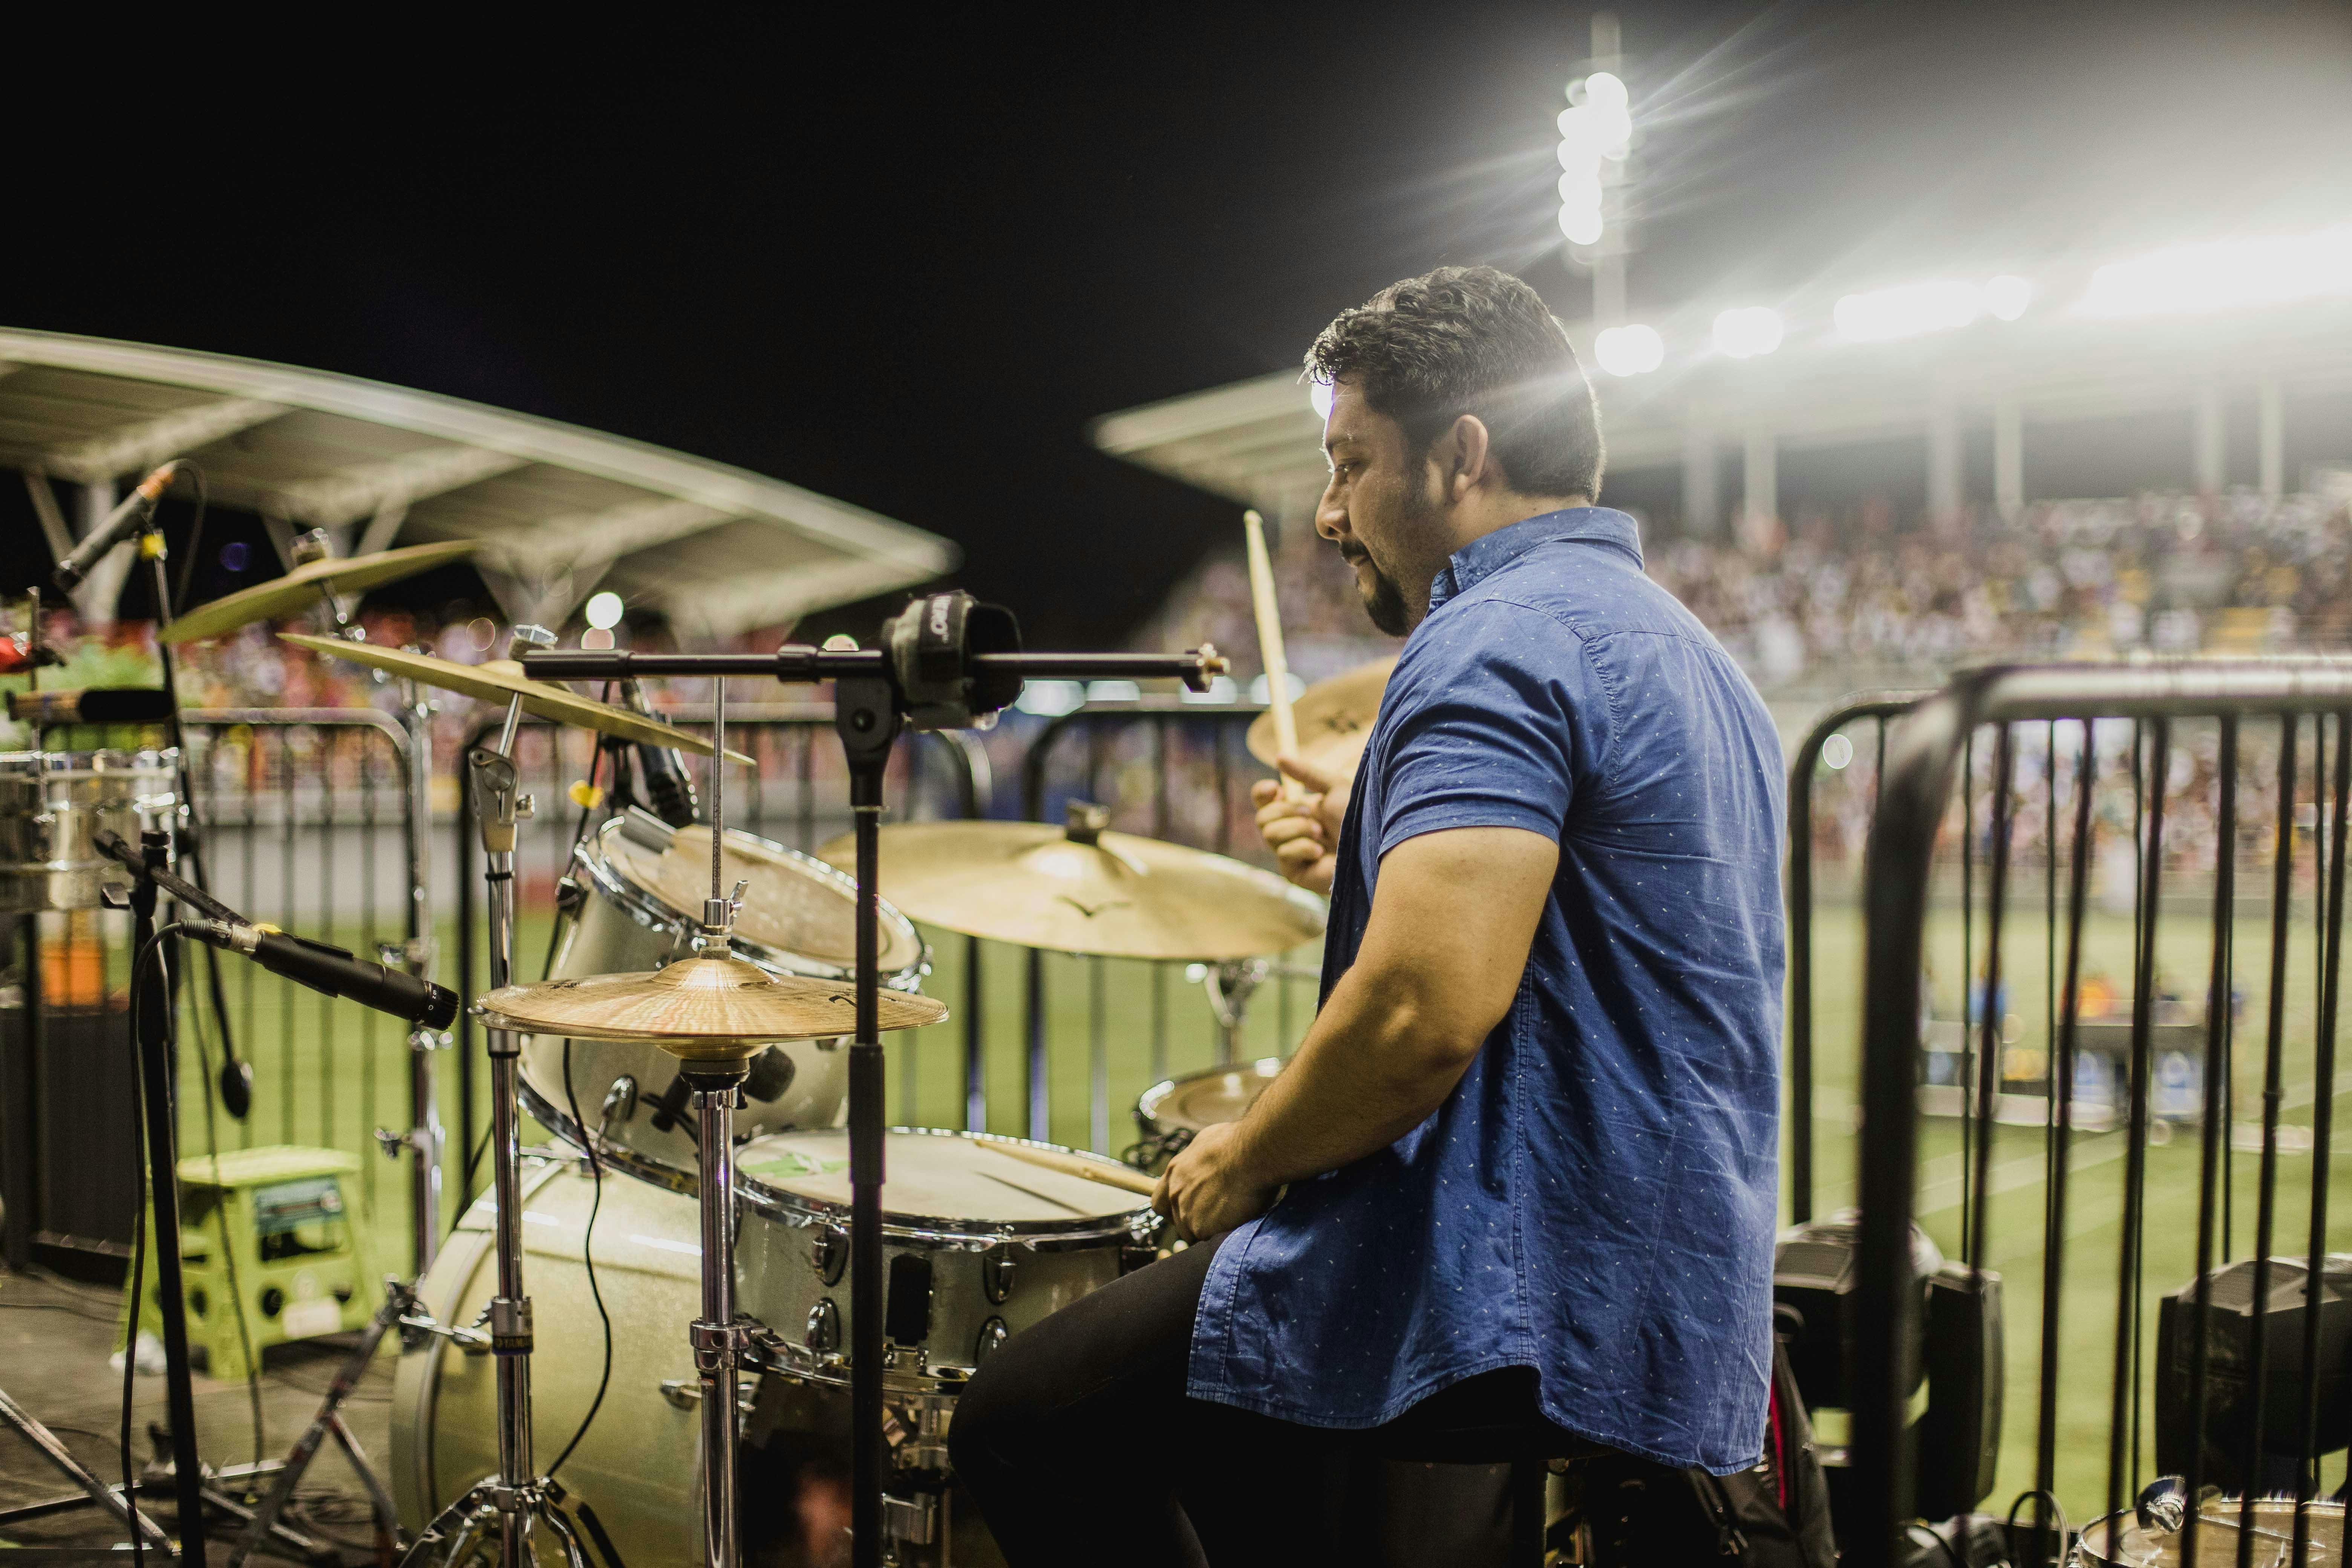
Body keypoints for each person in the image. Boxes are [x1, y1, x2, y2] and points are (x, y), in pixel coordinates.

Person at [949, 265, 1786, 1565]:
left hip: (1525, 1281)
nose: (1329, 514)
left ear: (1462, 456)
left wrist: (1248, 1156)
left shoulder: (1489, 639)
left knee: (1025, 1417)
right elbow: (1586, 916)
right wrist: (1371, 843)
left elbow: (1422, 1009)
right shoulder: (1686, 648)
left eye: (1350, 464)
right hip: (1674, 1276)